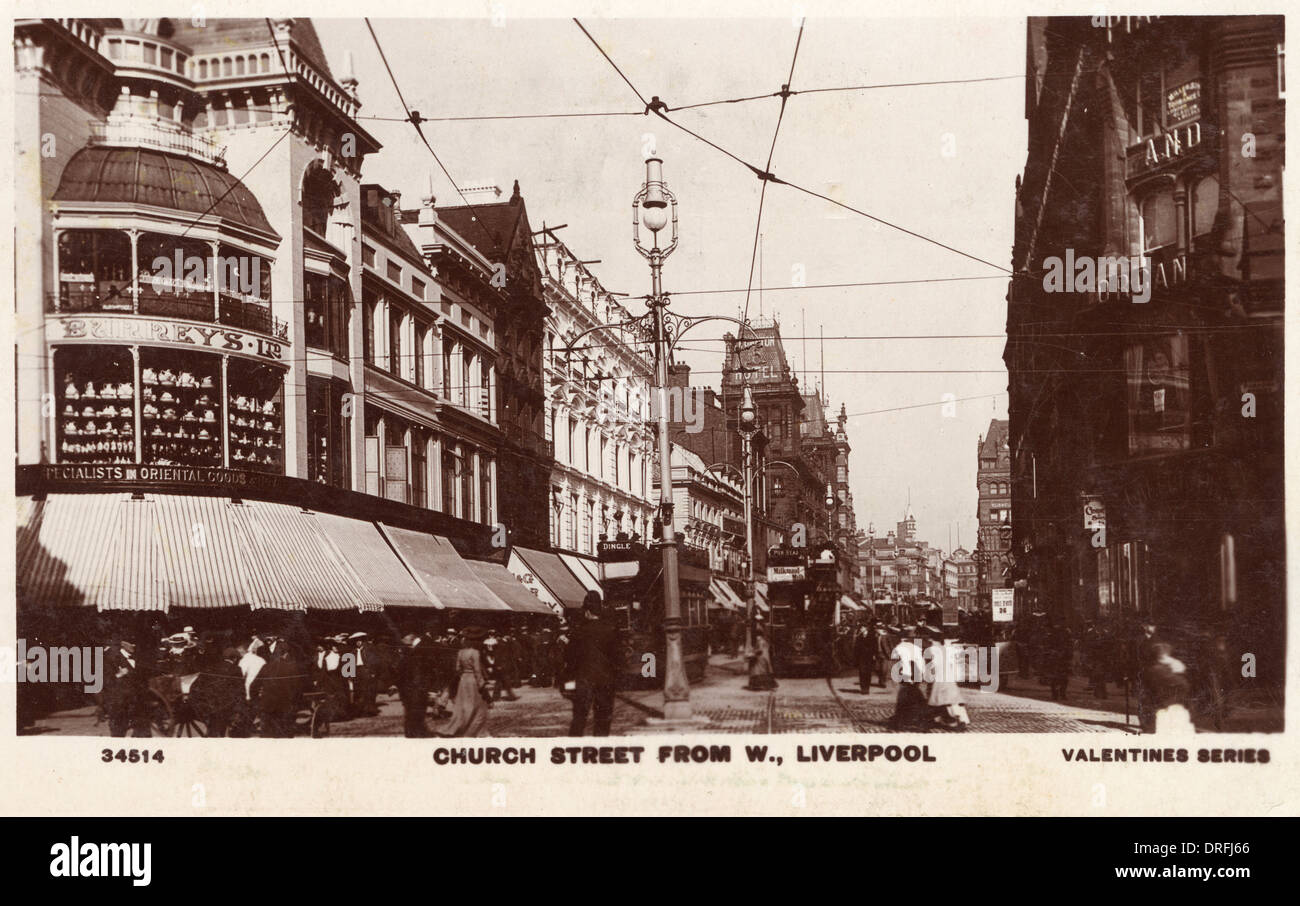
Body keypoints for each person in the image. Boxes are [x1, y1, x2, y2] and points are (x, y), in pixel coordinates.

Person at [563, 591, 623, 735]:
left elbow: (570, 658)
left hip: (584, 681)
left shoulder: (578, 633)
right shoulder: (611, 631)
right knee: (603, 720)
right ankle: (600, 751)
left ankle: (574, 751)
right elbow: (618, 658)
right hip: (606, 682)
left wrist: (568, 680)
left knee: (578, 719)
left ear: (587, 611)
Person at [439, 627, 491, 737]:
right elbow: (477, 670)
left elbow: (458, 669)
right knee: (478, 707)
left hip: (463, 680)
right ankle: (475, 731)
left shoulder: (461, 652)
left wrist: (464, 674)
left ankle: (457, 728)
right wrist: (482, 685)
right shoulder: (475, 653)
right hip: (473, 681)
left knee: (463, 706)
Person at [1141, 642, 1194, 735]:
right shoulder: (1167, 668)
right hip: (1168, 701)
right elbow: (1184, 685)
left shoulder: (1154, 669)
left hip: (1163, 702)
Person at [254, 642, 303, 738]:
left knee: (266, 738)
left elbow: (254, 686)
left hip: (267, 707)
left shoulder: (266, 667)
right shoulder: (292, 668)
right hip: (285, 708)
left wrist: (258, 700)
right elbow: (298, 689)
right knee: (284, 739)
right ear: (286, 653)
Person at [103, 638, 150, 737]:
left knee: (142, 731)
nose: (133, 646)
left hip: (137, 702)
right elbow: (107, 679)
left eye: (134, 644)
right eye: (131, 644)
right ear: (123, 645)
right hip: (120, 702)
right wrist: (119, 675)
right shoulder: (112, 658)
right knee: (118, 732)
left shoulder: (137, 657)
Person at [889, 630, 929, 731]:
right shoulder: (916, 648)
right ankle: (914, 719)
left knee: (904, 698)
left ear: (901, 638)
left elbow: (899, 664)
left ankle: (900, 722)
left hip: (906, 675)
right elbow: (921, 662)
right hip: (917, 675)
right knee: (914, 697)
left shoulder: (898, 648)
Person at [397, 632, 433, 738]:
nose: (402, 639)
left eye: (404, 637)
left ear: (411, 637)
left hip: (415, 688)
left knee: (414, 712)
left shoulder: (419, 649)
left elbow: (420, 671)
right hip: (412, 688)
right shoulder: (412, 649)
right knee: (414, 712)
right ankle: (415, 733)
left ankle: (415, 733)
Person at [349, 632, 380, 717]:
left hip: (366, 670)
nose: (358, 642)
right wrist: (351, 675)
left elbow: (374, 661)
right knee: (359, 691)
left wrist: (373, 672)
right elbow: (351, 663)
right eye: (356, 641)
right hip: (357, 671)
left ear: (362, 641)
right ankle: (360, 710)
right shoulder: (353, 651)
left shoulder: (369, 649)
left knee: (368, 690)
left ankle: (370, 710)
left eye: (359, 640)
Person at [855, 622, 877, 693]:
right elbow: (856, 648)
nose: (861, 629)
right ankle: (863, 688)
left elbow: (874, 646)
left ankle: (867, 688)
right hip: (861, 657)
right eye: (860, 628)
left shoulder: (872, 636)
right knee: (862, 672)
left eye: (862, 628)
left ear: (866, 628)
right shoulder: (859, 637)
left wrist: (874, 655)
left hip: (869, 657)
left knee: (868, 673)